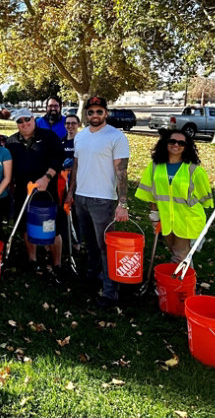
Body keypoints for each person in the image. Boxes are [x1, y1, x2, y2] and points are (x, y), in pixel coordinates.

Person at [64, 96, 130, 308]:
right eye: (91, 112)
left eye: (99, 111)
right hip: (81, 197)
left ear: (106, 113)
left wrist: (123, 203)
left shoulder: (116, 137)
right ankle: (92, 276)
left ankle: (110, 291)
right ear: (86, 114)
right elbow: (76, 165)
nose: (94, 115)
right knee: (89, 242)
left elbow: (122, 172)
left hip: (103, 200)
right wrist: (70, 193)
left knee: (104, 246)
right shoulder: (80, 137)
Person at [134, 130, 213, 263]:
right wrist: (154, 213)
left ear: (186, 146)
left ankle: (179, 282)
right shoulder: (155, 166)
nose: (176, 145)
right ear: (165, 143)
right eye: (172, 141)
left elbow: (204, 197)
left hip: (187, 219)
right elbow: (151, 193)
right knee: (177, 252)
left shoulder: (194, 169)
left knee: (180, 256)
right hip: (166, 218)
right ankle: (183, 280)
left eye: (181, 143)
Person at [6, 107, 65, 278]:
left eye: (27, 119)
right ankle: (32, 260)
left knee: (52, 227)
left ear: (33, 119)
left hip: (45, 190)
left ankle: (57, 263)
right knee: (25, 225)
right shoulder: (11, 142)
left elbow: (59, 158)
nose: (24, 124)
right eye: (20, 121)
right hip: (22, 192)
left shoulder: (48, 137)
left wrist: (47, 177)